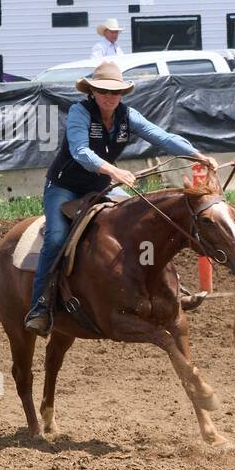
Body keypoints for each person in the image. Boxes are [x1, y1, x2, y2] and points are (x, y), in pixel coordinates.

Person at [24, 61, 219, 335]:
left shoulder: (127, 116)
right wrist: (114, 170)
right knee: (56, 238)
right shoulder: (80, 113)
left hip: (102, 185)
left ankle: (170, 286)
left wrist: (197, 154)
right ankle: (40, 306)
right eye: (103, 91)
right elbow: (81, 152)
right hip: (64, 188)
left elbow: (161, 136)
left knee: (144, 221)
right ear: (92, 91)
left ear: (122, 94)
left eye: (115, 92)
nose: (109, 96)